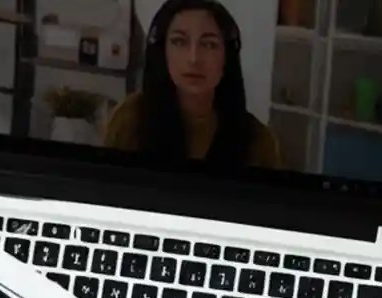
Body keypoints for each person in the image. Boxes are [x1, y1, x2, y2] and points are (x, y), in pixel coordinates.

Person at [104, 0, 281, 170]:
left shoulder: (258, 141)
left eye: (209, 44)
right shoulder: (129, 119)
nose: (194, 59)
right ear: (162, 52)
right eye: (179, 42)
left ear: (227, 58)